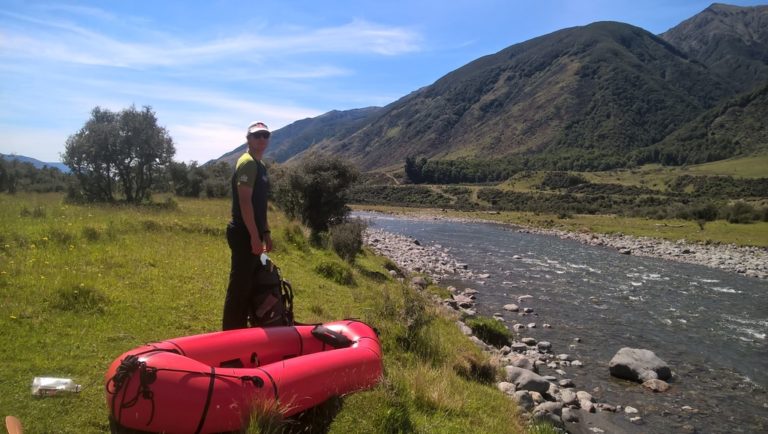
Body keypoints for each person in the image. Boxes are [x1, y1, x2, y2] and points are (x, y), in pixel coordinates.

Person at [222, 121, 273, 330]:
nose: (261, 139)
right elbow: (244, 202)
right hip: (244, 233)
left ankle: (242, 332)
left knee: (249, 286)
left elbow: (260, 204)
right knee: (239, 289)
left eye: (265, 135)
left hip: (253, 232)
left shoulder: (260, 165)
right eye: (256, 136)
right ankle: (230, 336)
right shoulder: (248, 163)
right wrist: (254, 236)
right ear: (248, 139)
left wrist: (266, 232)